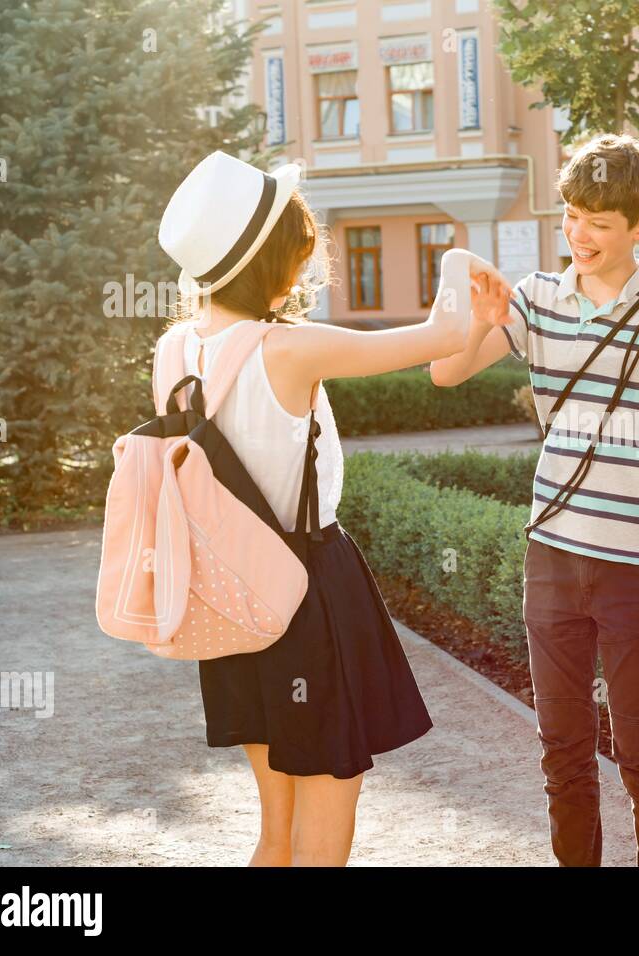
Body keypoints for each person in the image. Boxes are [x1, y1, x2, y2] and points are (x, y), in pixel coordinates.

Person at [156, 150, 498, 866]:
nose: (305, 273)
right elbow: (439, 337)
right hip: (307, 588)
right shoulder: (289, 348)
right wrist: (457, 253)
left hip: (226, 595)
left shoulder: (173, 350)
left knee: (273, 830)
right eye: (299, 255)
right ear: (268, 262)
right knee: (328, 800)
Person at [430, 133, 639, 866]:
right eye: (571, 214)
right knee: (562, 752)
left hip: (637, 567)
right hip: (553, 557)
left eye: (599, 221)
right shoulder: (535, 299)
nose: (580, 233)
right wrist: (484, 314)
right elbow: (445, 374)